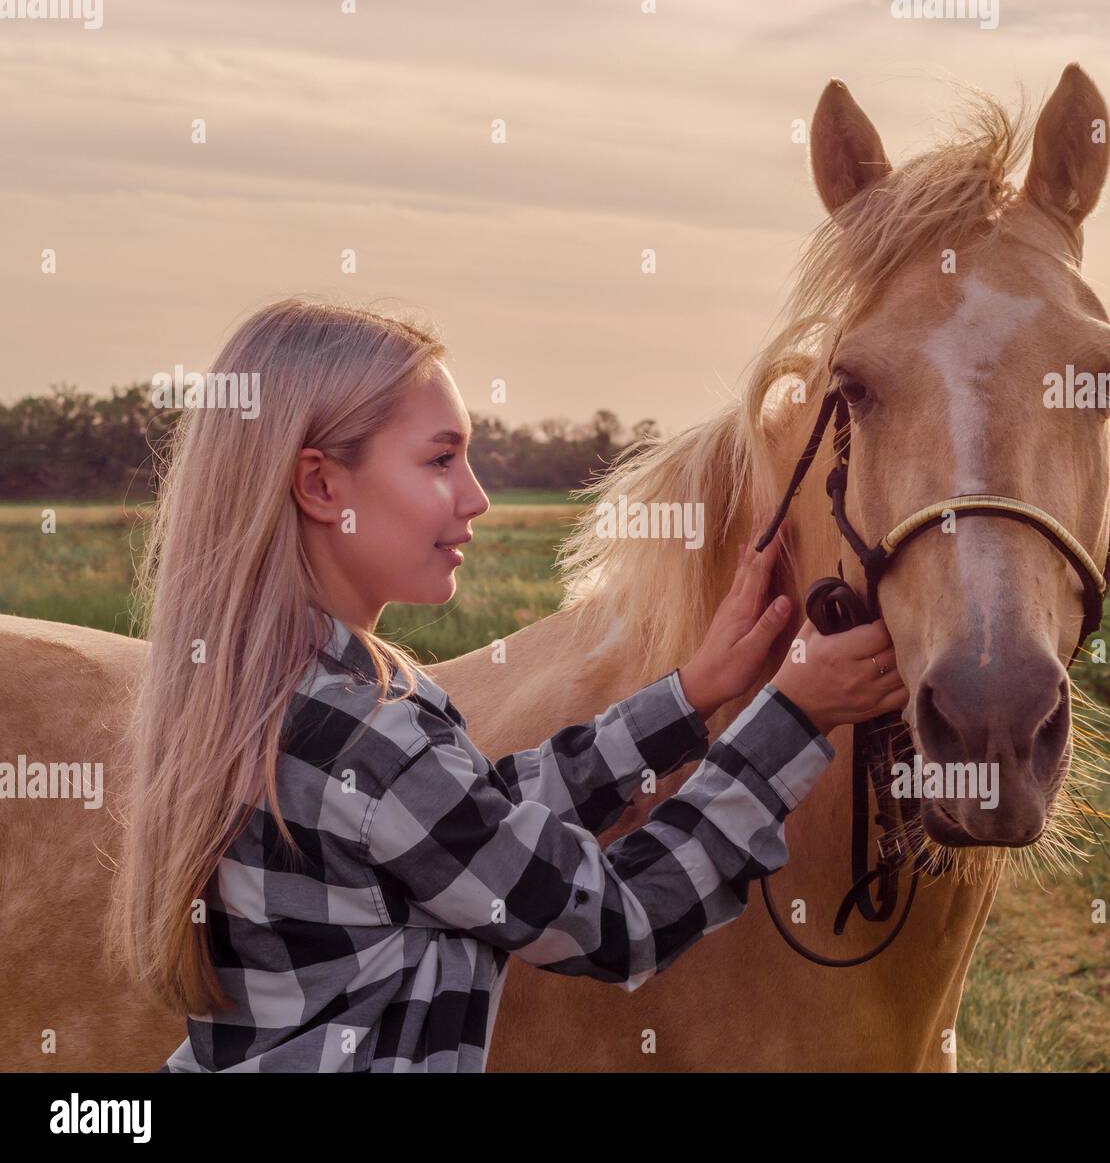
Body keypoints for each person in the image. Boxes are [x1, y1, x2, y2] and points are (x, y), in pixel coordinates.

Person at [110, 298, 906, 1073]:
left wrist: (692, 694)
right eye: (439, 458)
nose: (477, 497)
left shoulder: (284, 697)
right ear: (321, 486)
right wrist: (793, 718)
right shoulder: (367, 735)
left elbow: (481, 818)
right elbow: (619, 918)